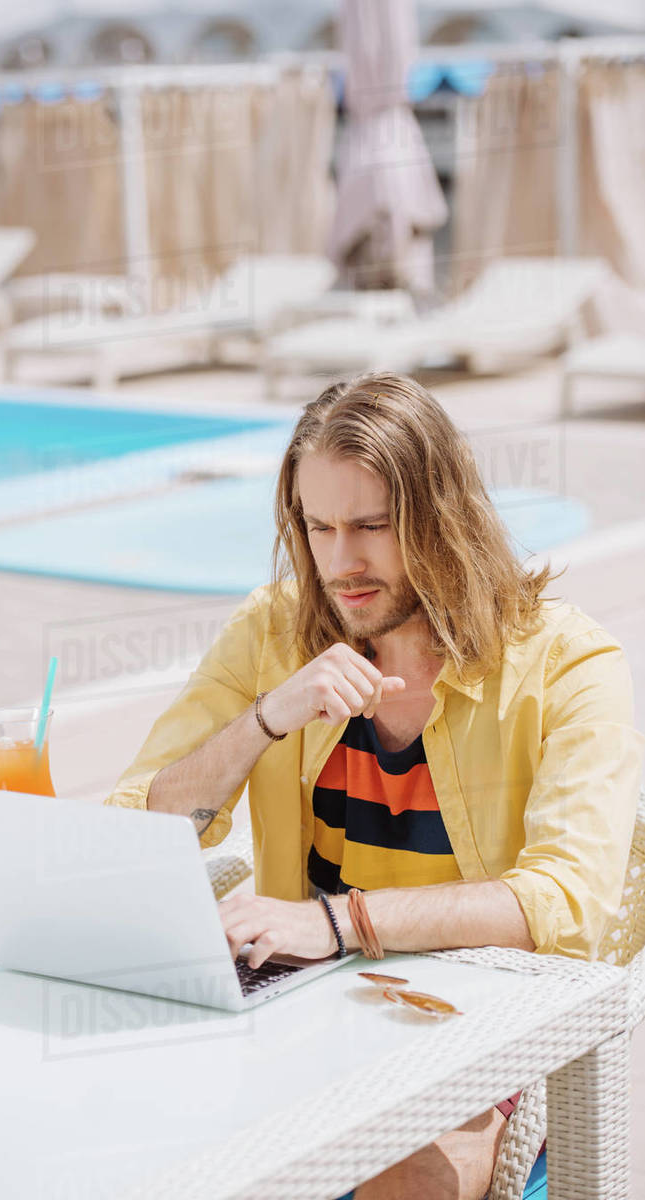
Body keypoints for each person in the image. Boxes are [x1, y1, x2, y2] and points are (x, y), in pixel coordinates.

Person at [107, 372, 643, 1199]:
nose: (339, 563)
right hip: (295, 1010)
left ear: (442, 519)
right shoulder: (270, 632)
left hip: (472, 1025)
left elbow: (560, 904)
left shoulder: (569, 666)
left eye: (370, 527)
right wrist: (265, 719)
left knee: (403, 1179)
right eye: (316, 527)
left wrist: (336, 922)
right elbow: (140, 826)